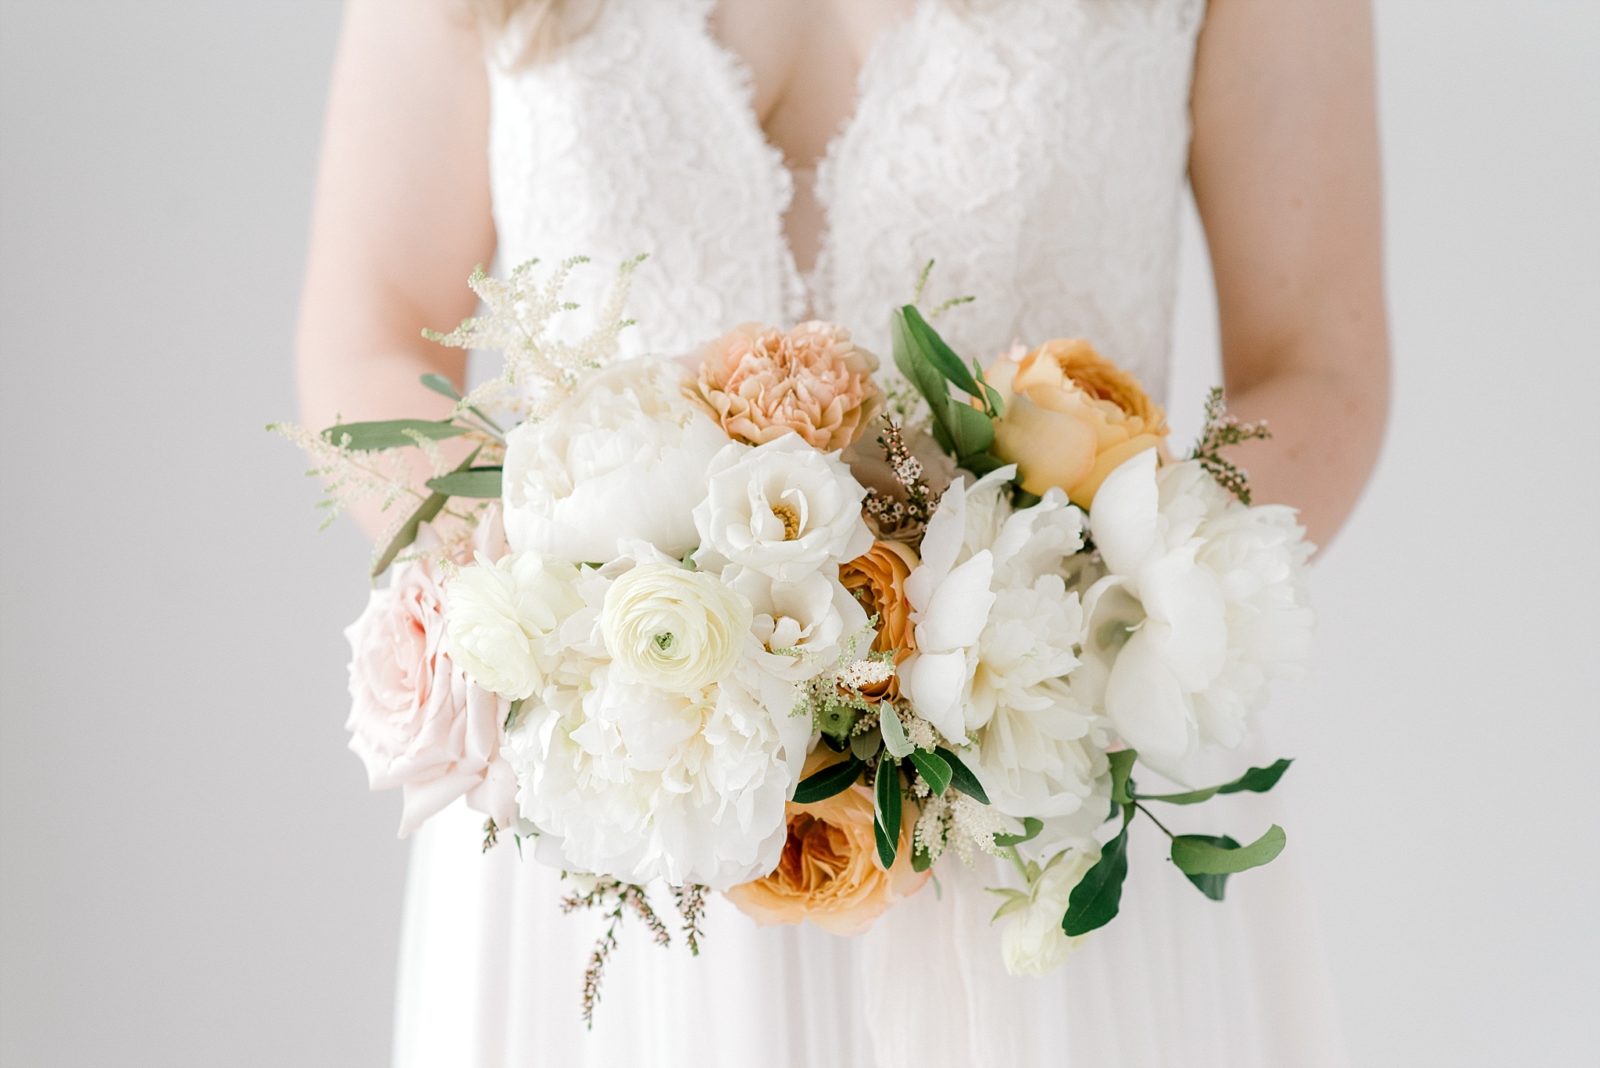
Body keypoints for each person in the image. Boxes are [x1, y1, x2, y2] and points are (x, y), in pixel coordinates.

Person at [296, 1, 1388, 1064]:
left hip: (1032, 818)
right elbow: (368, 337)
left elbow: (1318, 370)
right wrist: (587, 644)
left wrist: (1068, 633)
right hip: (617, 816)